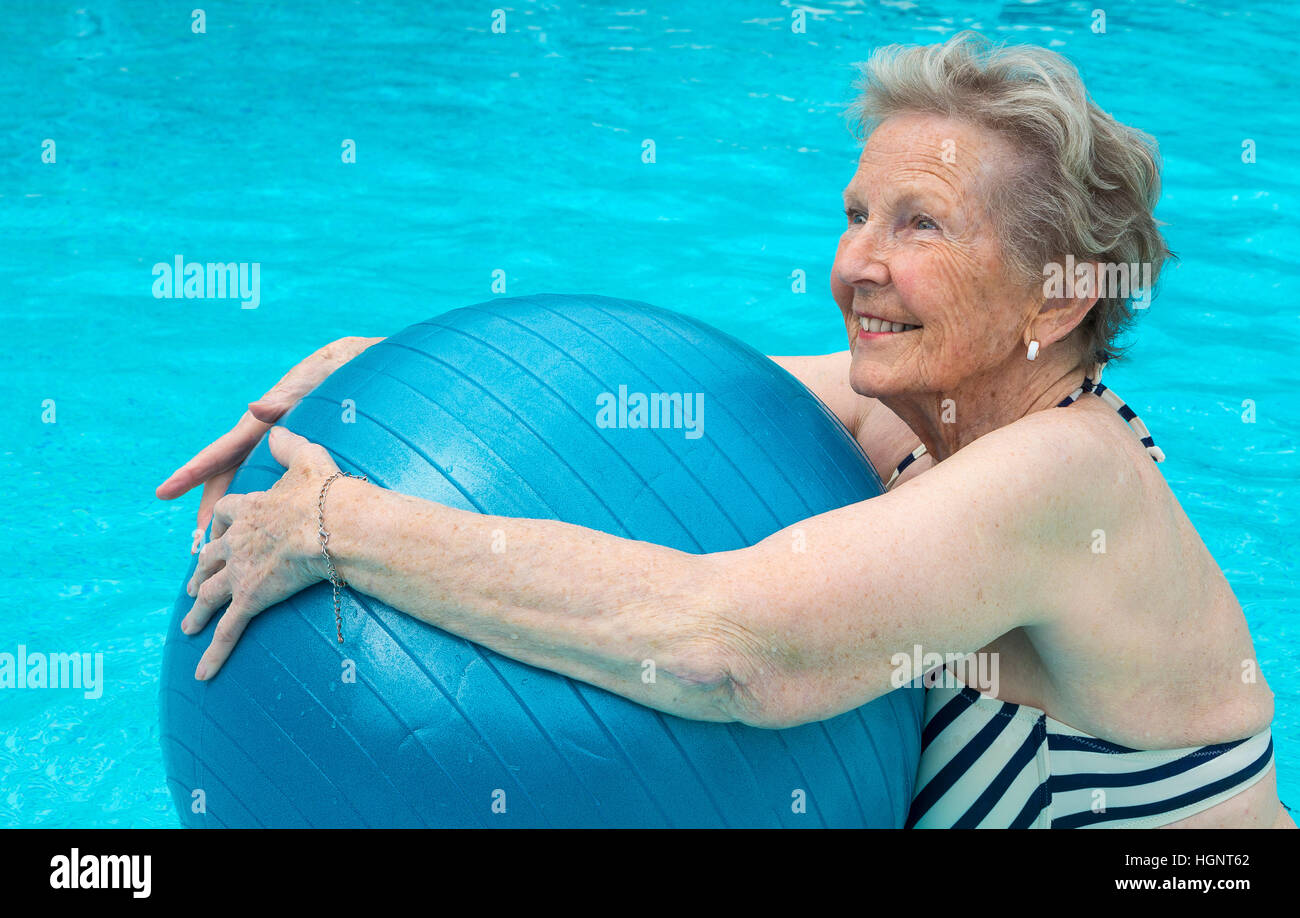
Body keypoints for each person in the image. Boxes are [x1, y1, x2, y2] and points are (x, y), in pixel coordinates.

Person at [156, 33, 1292, 829]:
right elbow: (606, 396)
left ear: (1054, 300)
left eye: (922, 226)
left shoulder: (1065, 480)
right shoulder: (913, 415)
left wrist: (337, 522)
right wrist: (388, 368)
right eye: (857, 214)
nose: (859, 266)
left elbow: (732, 655)